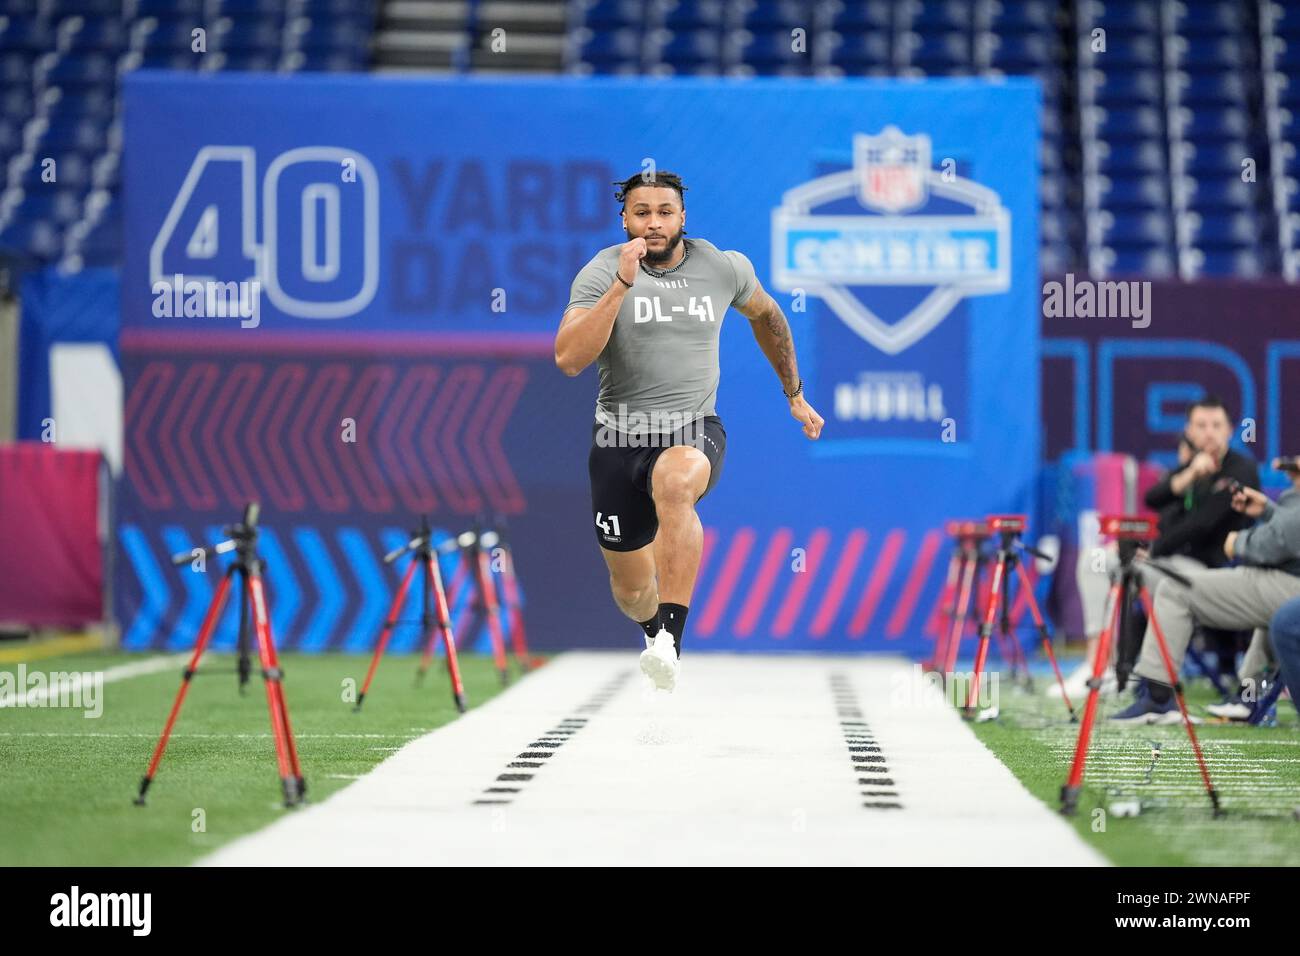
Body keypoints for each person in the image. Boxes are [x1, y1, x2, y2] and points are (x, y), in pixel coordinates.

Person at [555, 170, 824, 692]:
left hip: (693, 426)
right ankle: (653, 628)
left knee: (677, 483)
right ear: (624, 219)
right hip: (618, 439)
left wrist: (794, 394)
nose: (653, 223)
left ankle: (670, 644)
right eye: (641, 213)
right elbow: (568, 358)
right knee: (631, 591)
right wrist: (621, 285)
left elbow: (768, 317)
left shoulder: (723, 268)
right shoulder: (601, 272)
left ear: (682, 217)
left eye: (664, 212)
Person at [1059, 398, 1259, 700]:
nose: (1209, 433)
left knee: (1137, 573)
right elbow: (1154, 500)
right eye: (1201, 426)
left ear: (1230, 430)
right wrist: (1190, 474)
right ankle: (1099, 663)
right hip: (1166, 562)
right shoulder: (1190, 468)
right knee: (1094, 559)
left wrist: (1151, 551)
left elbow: (1202, 525)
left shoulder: (1241, 470)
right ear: (1189, 431)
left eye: (1216, 426)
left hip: (1208, 571)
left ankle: (1148, 680)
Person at [1110, 457, 1300, 724]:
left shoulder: (1240, 468)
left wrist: (1240, 542)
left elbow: (1279, 540)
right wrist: (1269, 511)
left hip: (1288, 583)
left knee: (1174, 590)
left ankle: (1158, 697)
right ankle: (1249, 695)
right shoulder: (1185, 469)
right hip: (1284, 582)